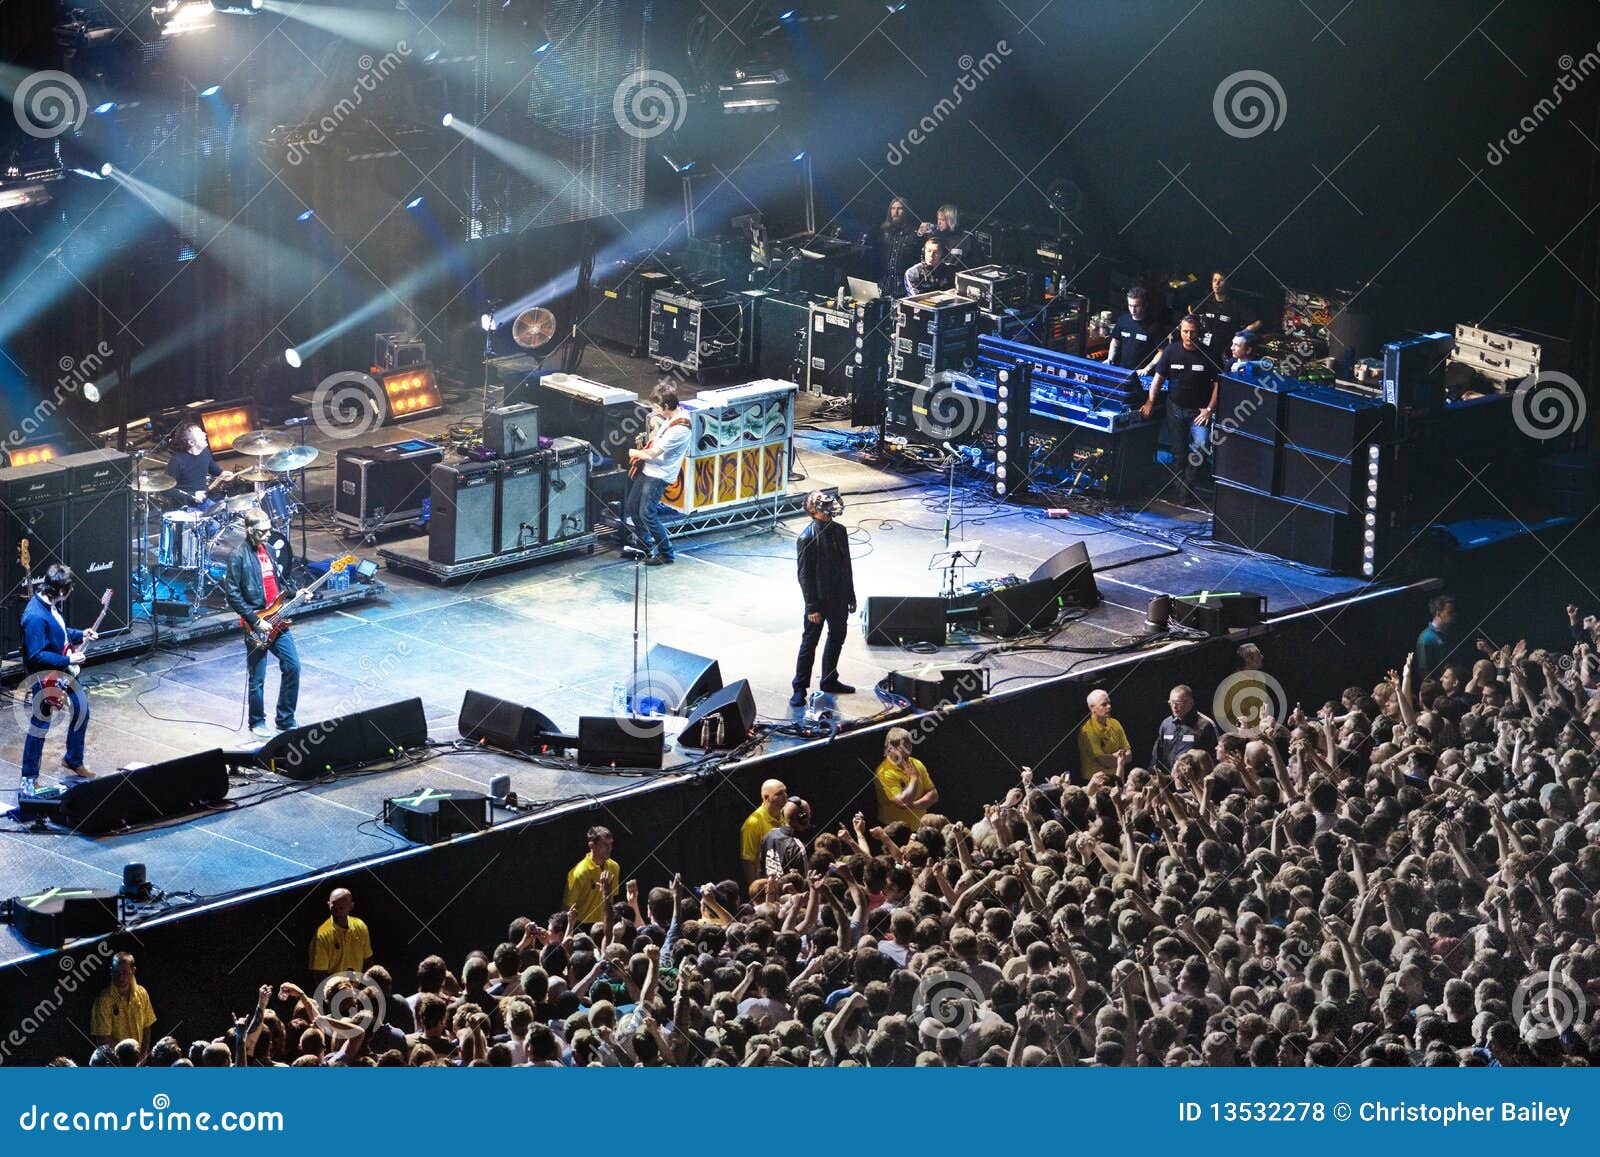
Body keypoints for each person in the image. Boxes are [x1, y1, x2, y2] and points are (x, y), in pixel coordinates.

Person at [223, 506, 302, 739]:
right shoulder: (238, 556)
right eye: (263, 531)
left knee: (293, 666)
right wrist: (255, 621)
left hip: (278, 620)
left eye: (269, 530)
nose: (268, 535)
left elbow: (278, 582)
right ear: (249, 530)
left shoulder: (268, 549)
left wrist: (297, 593)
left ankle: (285, 719)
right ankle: (257, 721)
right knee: (258, 677)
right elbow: (232, 595)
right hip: (257, 623)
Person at [19, 564, 97, 792]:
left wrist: (81, 633)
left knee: (82, 711)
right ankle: (29, 776)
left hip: (63, 668)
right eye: (70, 589)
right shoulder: (34, 616)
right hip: (44, 675)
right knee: (40, 725)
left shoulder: (50, 606)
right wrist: (69, 661)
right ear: (62, 591)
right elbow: (36, 654)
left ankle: (73, 759)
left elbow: (60, 634)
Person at [1141, 317, 1222, 498]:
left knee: (1201, 446)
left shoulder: (1209, 354)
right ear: (1180, 331)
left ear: (1199, 333)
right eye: (1185, 331)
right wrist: (1149, 402)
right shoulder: (1171, 351)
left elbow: (1219, 384)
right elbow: (1158, 380)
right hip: (1175, 409)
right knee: (1178, 452)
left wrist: (1210, 409)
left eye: (1193, 332)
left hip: (1199, 412)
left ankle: (1188, 482)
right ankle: (1182, 492)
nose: (1189, 335)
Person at [791, 489, 857, 707]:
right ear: (812, 509)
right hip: (818, 601)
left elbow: (846, 565)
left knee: (837, 637)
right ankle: (799, 688)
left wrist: (851, 594)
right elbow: (804, 575)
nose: (827, 500)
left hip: (839, 597)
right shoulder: (807, 537)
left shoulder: (840, 530)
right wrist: (811, 607)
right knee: (810, 643)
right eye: (819, 499)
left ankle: (829, 679)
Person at [625, 387, 692, 567]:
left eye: (657, 407)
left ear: (667, 406)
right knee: (632, 506)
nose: (655, 411)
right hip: (649, 471)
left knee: (647, 514)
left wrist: (634, 452)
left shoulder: (680, 429)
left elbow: (652, 454)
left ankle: (666, 553)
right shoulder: (672, 418)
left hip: (659, 475)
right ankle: (645, 544)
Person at [91, 952, 156, 1056]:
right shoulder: (103, 1000)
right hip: (115, 1062)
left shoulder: (142, 993)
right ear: (111, 971)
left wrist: (144, 1055)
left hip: (138, 1060)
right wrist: (127, 1056)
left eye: (125, 972)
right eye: (117, 972)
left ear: (133, 971)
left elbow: (147, 1027)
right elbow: (102, 1038)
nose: (121, 977)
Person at [1187, 272, 1260, 364]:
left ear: (1227, 284)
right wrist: (1197, 324)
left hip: (1227, 351)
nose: (1217, 284)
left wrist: (1241, 334)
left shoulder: (1235, 304)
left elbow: (1257, 323)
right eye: (1214, 280)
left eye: (1221, 281)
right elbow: (1191, 308)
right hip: (1206, 348)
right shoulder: (1207, 301)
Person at [875, 728, 938, 827]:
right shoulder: (884, 772)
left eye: (910, 746)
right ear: (891, 749)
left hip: (919, 825)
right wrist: (914, 779)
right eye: (904, 748)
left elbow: (933, 794)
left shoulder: (916, 763)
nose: (908, 752)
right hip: (896, 829)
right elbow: (902, 802)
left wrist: (914, 805)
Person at [1151, 684, 1220, 773]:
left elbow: (1214, 757)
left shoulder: (1205, 725)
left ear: (1190, 703)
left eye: (1178, 703)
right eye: (1171, 703)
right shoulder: (1166, 724)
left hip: (1194, 780)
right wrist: (1153, 774)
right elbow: (1156, 755)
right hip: (1168, 780)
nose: (1174, 707)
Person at [164, 420, 235, 503]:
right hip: (186, 505)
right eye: (199, 434)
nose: (205, 434)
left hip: (204, 499)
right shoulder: (177, 461)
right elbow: (166, 490)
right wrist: (192, 495)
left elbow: (214, 470)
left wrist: (223, 474)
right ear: (191, 442)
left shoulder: (205, 451)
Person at [310, 887, 372, 979]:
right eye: (334, 907)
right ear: (328, 905)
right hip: (335, 990)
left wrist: (363, 986)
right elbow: (319, 974)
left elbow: (368, 961)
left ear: (351, 906)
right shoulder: (321, 935)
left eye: (342, 907)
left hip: (359, 987)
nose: (338, 911)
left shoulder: (360, 926)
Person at [563, 825, 620, 927]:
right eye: (604, 844)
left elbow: (612, 897)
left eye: (611, 844)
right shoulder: (579, 873)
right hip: (583, 926)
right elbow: (567, 908)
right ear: (591, 845)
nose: (609, 848)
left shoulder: (614, 867)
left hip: (606, 922)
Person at [739, 779, 788, 891]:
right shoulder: (753, 824)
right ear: (766, 798)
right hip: (767, 885)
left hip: (784, 880)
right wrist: (756, 892)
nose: (785, 796)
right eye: (779, 794)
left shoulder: (784, 814)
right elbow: (749, 861)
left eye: (785, 792)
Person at [1105, 286, 1163, 374]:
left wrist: (1148, 368)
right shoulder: (1122, 320)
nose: (1133, 310)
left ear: (1145, 305)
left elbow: (1162, 351)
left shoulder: (1154, 326)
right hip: (1122, 370)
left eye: (1136, 306)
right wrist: (1110, 358)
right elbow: (1115, 341)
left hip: (1142, 374)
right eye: (1130, 305)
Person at [1077, 688, 1131, 779]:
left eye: (1109, 703)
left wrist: (1113, 757)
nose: (1109, 707)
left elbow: (1130, 756)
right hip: (1096, 784)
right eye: (1104, 704)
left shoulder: (1115, 723)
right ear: (1092, 707)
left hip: (1117, 777)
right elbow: (1104, 762)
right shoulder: (1088, 731)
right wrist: (1119, 758)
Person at [875, 197, 920, 298]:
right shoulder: (884, 232)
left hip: (904, 289)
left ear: (906, 211)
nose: (895, 212)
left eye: (900, 208)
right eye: (893, 208)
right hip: (883, 286)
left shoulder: (915, 234)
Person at [760, 797, 812, 883]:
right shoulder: (799, 848)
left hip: (769, 893)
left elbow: (761, 871)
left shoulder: (769, 835)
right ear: (803, 818)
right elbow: (806, 885)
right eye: (808, 814)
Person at [1415, 594, 1458, 680]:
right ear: (1439, 613)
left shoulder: (1449, 634)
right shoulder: (1426, 638)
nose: (1454, 615)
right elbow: (1424, 671)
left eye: (1454, 612)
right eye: (1450, 612)